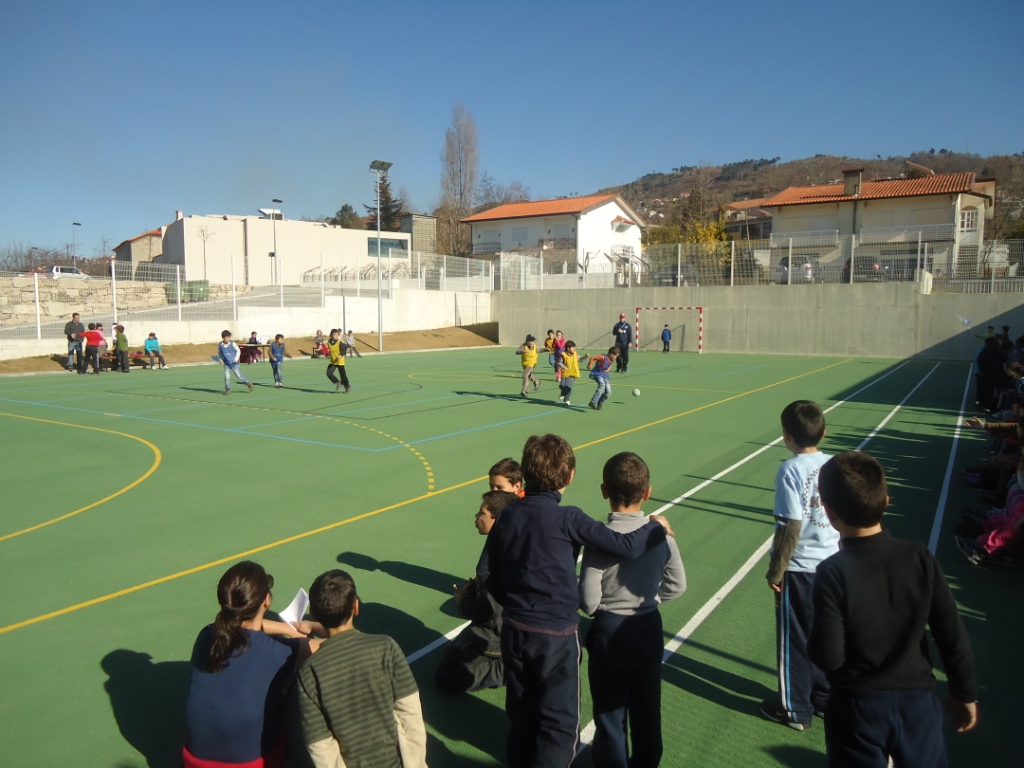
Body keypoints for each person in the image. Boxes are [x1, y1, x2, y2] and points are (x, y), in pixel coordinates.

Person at [476, 433, 674, 768]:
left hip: (515, 629)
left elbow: (486, 572)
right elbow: (625, 547)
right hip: (556, 636)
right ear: (569, 476)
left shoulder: (507, 515)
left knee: (522, 715)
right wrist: (656, 526)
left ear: (525, 473)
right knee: (558, 727)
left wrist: (512, 600)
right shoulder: (569, 518)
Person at [810, 452, 979, 767]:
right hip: (918, 705)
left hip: (856, 707)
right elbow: (951, 635)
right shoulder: (920, 557)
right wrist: (964, 692)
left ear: (829, 512)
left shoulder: (832, 572)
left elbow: (829, 656)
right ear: (886, 500)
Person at [579, 452, 687, 768]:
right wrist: (651, 599)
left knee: (610, 713)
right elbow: (677, 585)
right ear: (647, 492)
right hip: (648, 626)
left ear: (604, 491)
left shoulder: (600, 539)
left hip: (610, 631)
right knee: (647, 706)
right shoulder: (660, 535)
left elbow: (588, 600)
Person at [183, 561, 318, 768]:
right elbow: (327, 645)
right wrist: (311, 626)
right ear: (266, 600)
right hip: (253, 763)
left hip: (194, 761)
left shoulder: (206, 636)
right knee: (295, 690)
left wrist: (287, 629)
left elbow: (241, 625)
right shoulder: (277, 651)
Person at [296, 569, 428, 768]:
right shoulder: (386, 647)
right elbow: (410, 714)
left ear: (313, 614)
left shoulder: (309, 672)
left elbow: (321, 747)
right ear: (356, 607)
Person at [760, 400, 837, 731]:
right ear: (824, 432)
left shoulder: (790, 470)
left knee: (795, 639)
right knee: (826, 633)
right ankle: (825, 698)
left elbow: (790, 525)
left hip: (801, 567)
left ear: (786, 435)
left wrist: (777, 569)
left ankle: (794, 708)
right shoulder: (833, 464)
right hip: (832, 564)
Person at [435, 489, 519, 695]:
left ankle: (509, 670)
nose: (476, 516)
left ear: (497, 520)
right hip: (504, 628)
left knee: (446, 678)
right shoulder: (508, 543)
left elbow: (489, 610)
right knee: (452, 653)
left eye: (481, 512)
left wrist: (463, 600)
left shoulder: (496, 559)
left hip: (497, 635)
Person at [218, 331, 254, 395]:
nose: (228, 339)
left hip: (235, 364)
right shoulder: (220, 345)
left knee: (239, 376)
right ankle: (228, 389)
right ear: (223, 337)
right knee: (227, 376)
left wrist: (236, 358)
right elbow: (219, 353)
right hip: (227, 364)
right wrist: (221, 359)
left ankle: (249, 383)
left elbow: (238, 351)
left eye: (229, 337)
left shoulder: (232, 343)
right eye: (227, 337)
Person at [556, 340, 587, 407]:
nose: (574, 349)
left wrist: (585, 357)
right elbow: (559, 363)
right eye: (572, 347)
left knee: (568, 387)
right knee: (562, 385)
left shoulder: (575, 354)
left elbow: (580, 360)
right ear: (568, 348)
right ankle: (562, 393)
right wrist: (564, 367)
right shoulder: (563, 355)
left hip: (572, 373)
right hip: (565, 373)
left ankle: (567, 399)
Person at [325, 329, 351, 393]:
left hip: (340, 361)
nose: (336, 336)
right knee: (328, 373)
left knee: (343, 375)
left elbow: (344, 348)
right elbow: (330, 350)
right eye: (334, 334)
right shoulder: (329, 343)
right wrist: (328, 354)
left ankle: (347, 386)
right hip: (333, 361)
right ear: (331, 335)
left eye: (337, 334)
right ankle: (338, 382)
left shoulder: (339, 342)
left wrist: (341, 355)